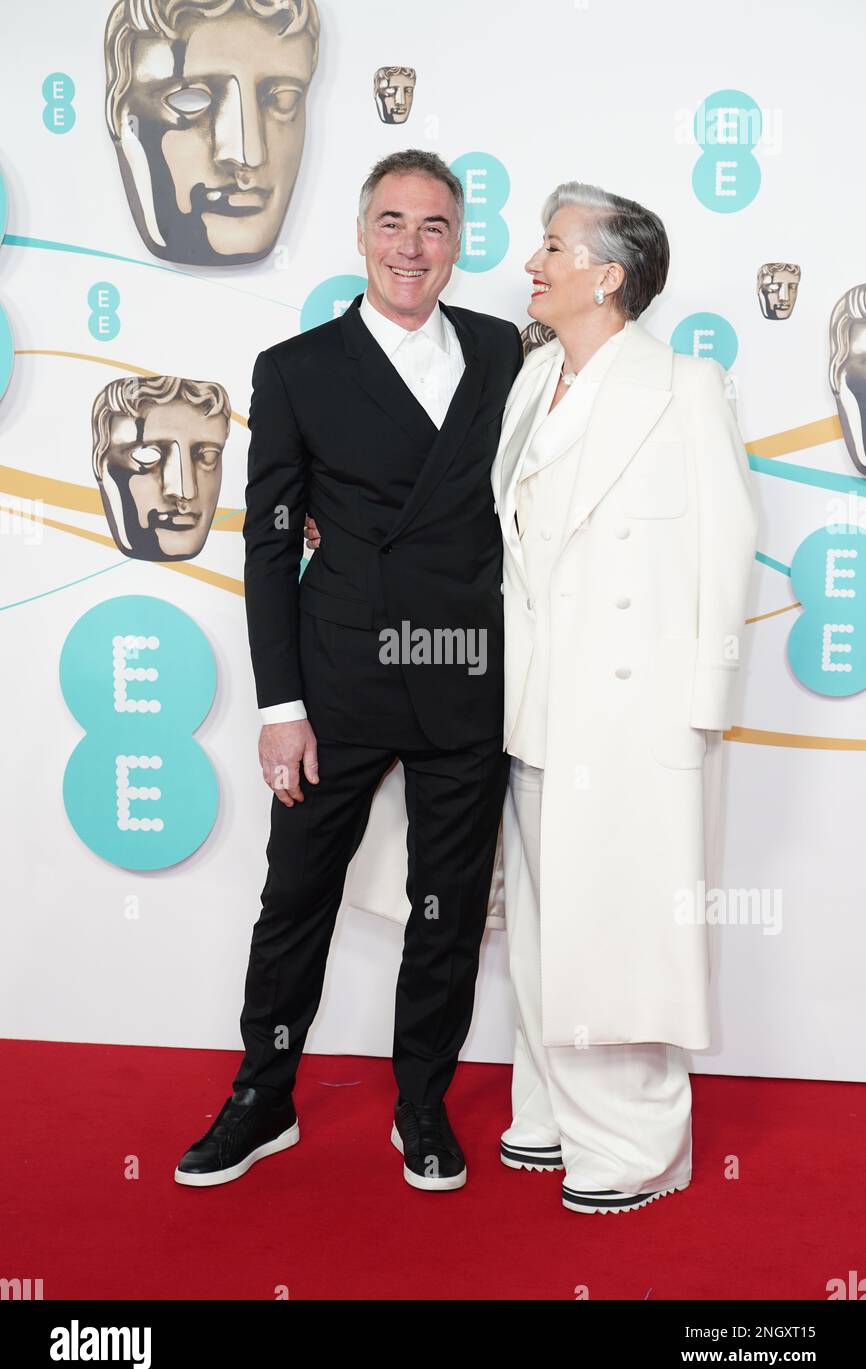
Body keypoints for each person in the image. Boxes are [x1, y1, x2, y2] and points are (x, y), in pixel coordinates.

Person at [174, 149, 523, 1191]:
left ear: (458, 243)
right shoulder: (296, 369)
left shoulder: (509, 352)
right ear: (361, 234)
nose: (409, 246)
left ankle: (420, 1102)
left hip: (465, 672)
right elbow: (268, 543)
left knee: (446, 908)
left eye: (432, 227)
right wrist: (280, 706)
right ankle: (260, 1095)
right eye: (390, 222)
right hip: (339, 677)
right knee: (295, 899)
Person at [492, 181, 759, 1213]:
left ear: (606, 274)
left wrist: (703, 696)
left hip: (637, 706)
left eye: (552, 247)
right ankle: (550, 1107)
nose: (533, 262)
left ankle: (639, 1143)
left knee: (621, 924)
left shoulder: (683, 383)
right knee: (549, 917)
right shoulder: (528, 382)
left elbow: (728, 538)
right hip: (535, 707)